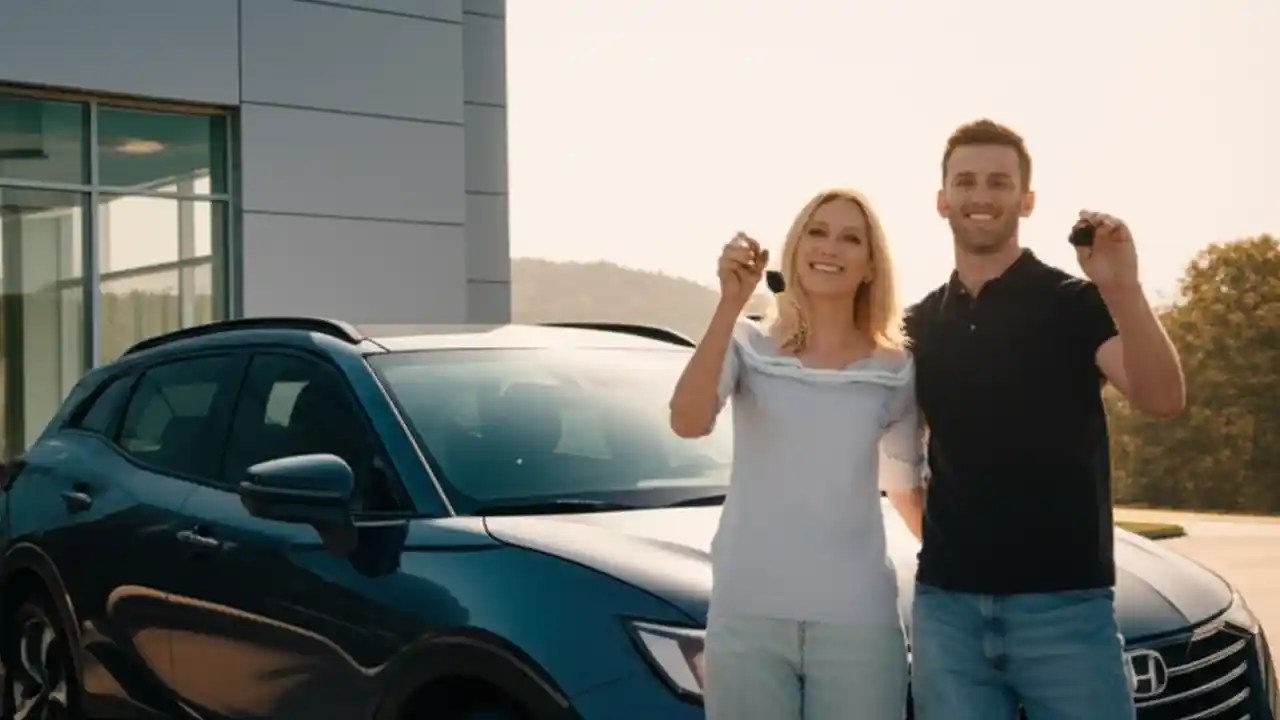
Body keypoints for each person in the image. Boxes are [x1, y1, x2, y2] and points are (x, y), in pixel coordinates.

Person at [899, 119, 1186, 720]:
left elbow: (1161, 397)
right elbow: (897, 458)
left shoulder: (1075, 303)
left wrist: (1123, 288)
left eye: (999, 182)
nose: (982, 196)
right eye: (966, 181)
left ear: (1026, 201)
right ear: (941, 199)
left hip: (1065, 607)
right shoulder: (919, 323)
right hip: (946, 611)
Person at [668, 188, 924, 719]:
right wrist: (729, 303)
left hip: (860, 623)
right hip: (748, 615)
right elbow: (688, 420)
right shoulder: (746, 344)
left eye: (851, 238)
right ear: (795, 246)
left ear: (871, 265)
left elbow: (904, 489)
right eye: (817, 231)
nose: (830, 247)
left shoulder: (896, 369)